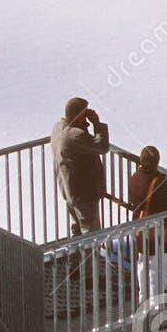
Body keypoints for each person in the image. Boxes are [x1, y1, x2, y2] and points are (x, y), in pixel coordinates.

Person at [128, 145, 167, 290]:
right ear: (157, 162)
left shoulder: (135, 178)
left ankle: (143, 296)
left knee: (143, 263)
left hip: (141, 228)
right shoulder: (159, 184)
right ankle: (154, 301)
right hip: (160, 232)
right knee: (158, 270)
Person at [50, 96, 109, 235]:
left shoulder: (58, 127)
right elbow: (102, 147)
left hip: (69, 189)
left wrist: (82, 124)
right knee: (91, 234)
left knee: (77, 229)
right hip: (84, 194)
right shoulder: (75, 135)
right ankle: (92, 251)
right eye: (85, 113)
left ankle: (77, 249)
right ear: (79, 115)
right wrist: (96, 124)